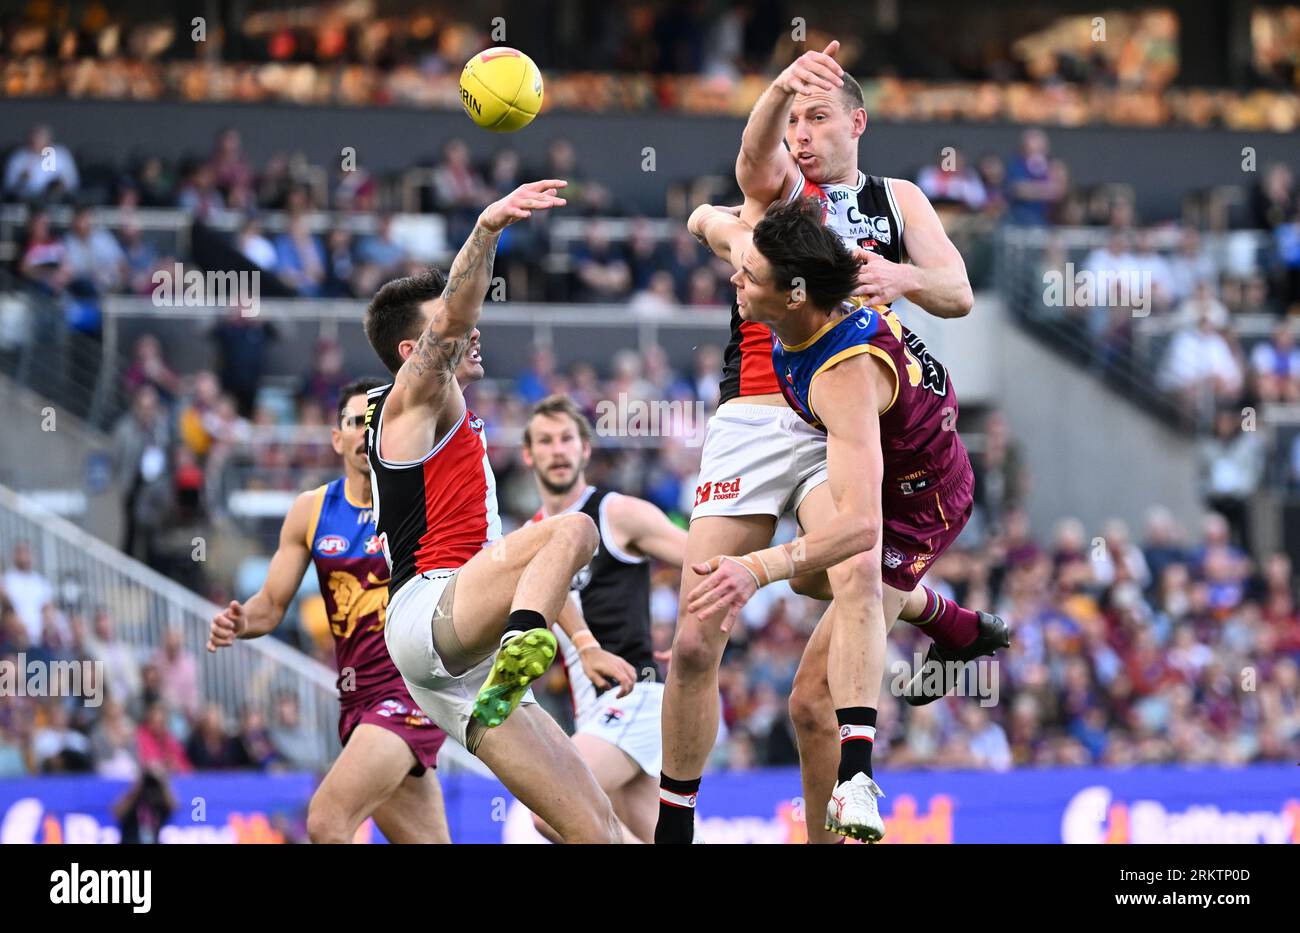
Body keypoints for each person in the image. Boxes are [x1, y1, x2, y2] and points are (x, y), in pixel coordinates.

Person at [655, 39, 989, 845]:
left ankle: (857, 778)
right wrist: (774, 91)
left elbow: (959, 292)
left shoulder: (898, 199)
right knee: (697, 631)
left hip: (840, 410)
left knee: (851, 573)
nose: (800, 134)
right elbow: (747, 158)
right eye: (791, 119)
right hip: (752, 410)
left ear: (858, 122)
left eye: (816, 117)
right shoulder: (782, 190)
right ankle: (675, 822)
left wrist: (900, 277)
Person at [685, 198, 1008, 841]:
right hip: (886, 469)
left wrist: (757, 568)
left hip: (917, 505)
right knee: (814, 580)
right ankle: (956, 627)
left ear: (795, 295)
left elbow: (863, 527)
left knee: (810, 700)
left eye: (748, 276)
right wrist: (704, 219)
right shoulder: (803, 285)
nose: (734, 281)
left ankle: (854, 790)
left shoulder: (842, 370)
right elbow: (712, 224)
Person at [362, 178, 620, 843]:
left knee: (597, 829)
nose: (471, 327)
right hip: (432, 608)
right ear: (409, 353)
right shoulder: (414, 399)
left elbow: (531, 567)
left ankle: (515, 651)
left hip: (460, 655)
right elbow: (448, 323)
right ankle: (520, 643)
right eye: (449, 320)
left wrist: (584, 644)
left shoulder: (444, 419)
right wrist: (486, 229)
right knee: (573, 528)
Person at [208, 377, 452, 844]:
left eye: (375, 421)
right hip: (356, 700)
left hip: (412, 692)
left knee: (325, 820)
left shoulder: (418, 501)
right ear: (336, 437)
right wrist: (240, 622)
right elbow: (271, 605)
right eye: (354, 422)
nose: (365, 432)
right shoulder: (311, 510)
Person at [521, 395, 688, 843]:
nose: (557, 450)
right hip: (592, 710)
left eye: (566, 440)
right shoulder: (528, 538)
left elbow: (704, 561)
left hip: (635, 691)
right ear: (528, 454)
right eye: (545, 441)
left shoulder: (617, 513)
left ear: (585, 450)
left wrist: (700, 630)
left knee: (551, 808)